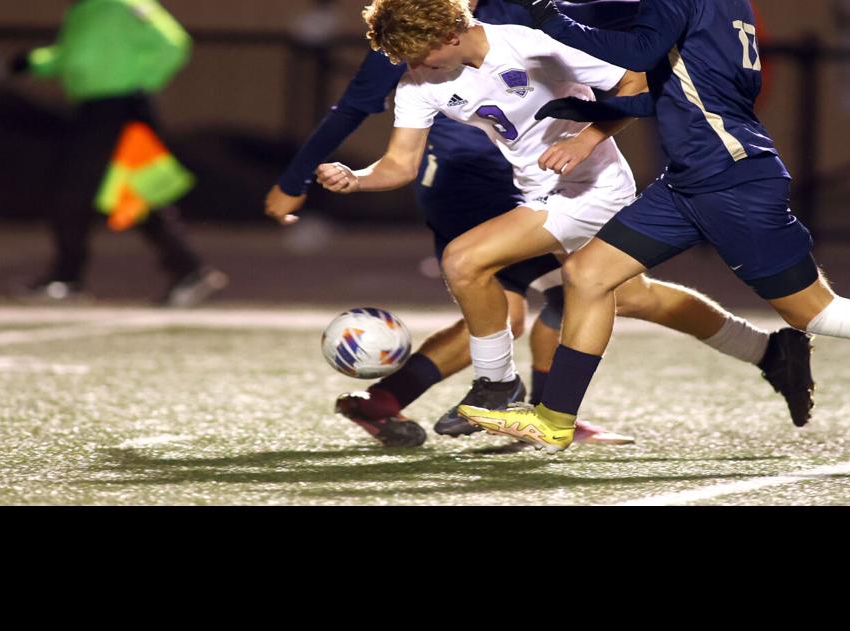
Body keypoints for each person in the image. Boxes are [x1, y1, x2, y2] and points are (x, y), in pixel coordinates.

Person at [456, 0, 850, 452]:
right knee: (587, 275)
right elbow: (679, 90)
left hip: (732, 182)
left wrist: (544, 14)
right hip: (691, 180)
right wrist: (590, 111)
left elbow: (636, 54)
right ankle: (556, 419)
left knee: (818, 313)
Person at [317, 0, 812, 442]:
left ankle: (497, 384)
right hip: (540, 192)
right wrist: (355, 178)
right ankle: (770, 353)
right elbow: (399, 165)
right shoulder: (419, 83)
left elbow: (633, 84)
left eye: (421, 55)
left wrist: (584, 141)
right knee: (636, 297)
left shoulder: (530, 46)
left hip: (594, 189)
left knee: (465, 261)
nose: (415, 66)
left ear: (451, 34)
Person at [15, 0, 226, 307]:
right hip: (92, 110)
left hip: (120, 109)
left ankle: (67, 277)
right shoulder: (82, 10)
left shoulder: (127, 4)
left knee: (74, 188)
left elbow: (173, 43)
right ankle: (189, 270)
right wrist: (36, 62)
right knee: (132, 191)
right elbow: (77, 56)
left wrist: (141, 84)